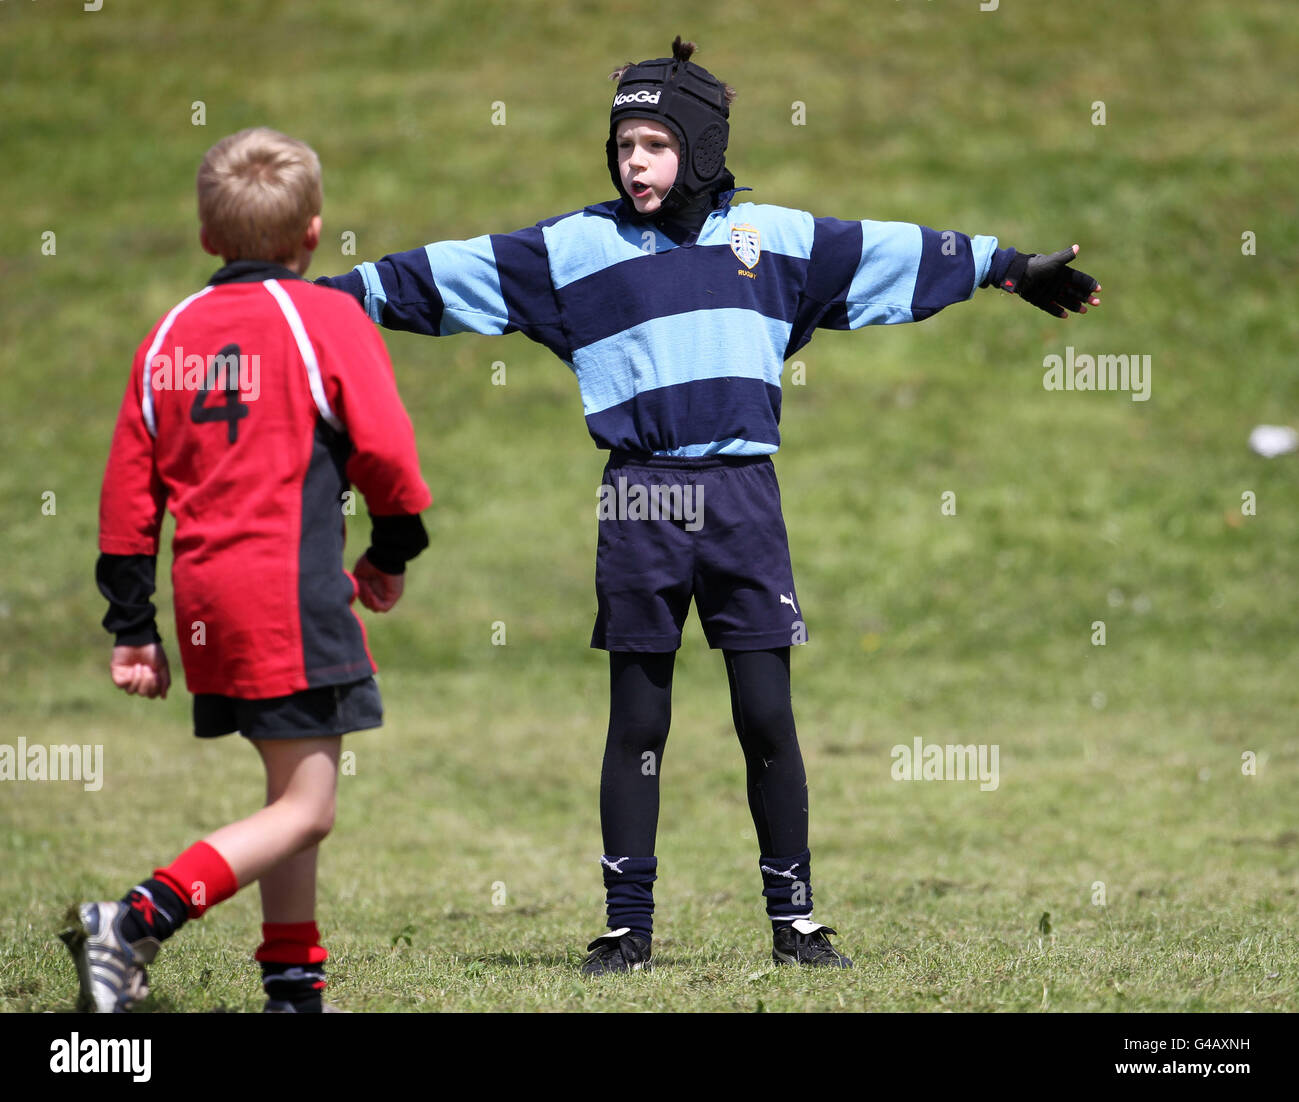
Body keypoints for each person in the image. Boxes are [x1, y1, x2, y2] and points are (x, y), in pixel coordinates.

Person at [316, 37, 1101, 974]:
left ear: (701, 144)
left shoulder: (774, 242)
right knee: (637, 724)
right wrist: (315, 303)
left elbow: (893, 251)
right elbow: (441, 276)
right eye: (622, 146)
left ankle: (796, 923)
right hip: (640, 499)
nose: (634, 162)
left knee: (766, 716)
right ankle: (626, 930)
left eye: (653, 143)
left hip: (742, 498)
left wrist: (1009, 268)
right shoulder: (573, 251)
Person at [64, 127, 432, 1012]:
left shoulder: (170, 333)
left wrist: (132, 627)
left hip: (205, 596)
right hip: (289, 592)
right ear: (312, 232)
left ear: (205, 235)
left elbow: (127, 494)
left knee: (285, 787)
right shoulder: (328, 317)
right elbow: (385, 452)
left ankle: (293, 987)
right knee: (309, 808)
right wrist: (392, 550)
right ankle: (133, 922)